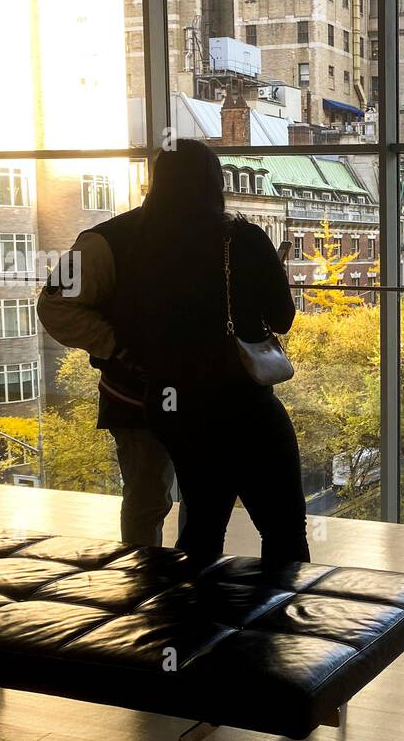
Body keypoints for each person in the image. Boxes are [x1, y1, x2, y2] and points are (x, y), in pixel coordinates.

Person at [112, 139, 308, 568]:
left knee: (202, 525)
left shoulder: (137, 249)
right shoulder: (243, 239)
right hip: (240, 407)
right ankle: (283, 628)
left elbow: (128, 327)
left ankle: (195, 624)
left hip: (174, 408)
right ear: (215, 184)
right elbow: (282, 317)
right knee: (284, 528)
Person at [37, 206, 181, 547]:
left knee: (147, 499)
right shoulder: (107, 241)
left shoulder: (106, 240)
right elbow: (53, 306)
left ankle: (143, 583)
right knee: (189, 501)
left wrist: (115, 348)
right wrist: (116, 347)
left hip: (133, 393)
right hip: (151, 396)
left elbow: (54, 306)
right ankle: (176, 585)